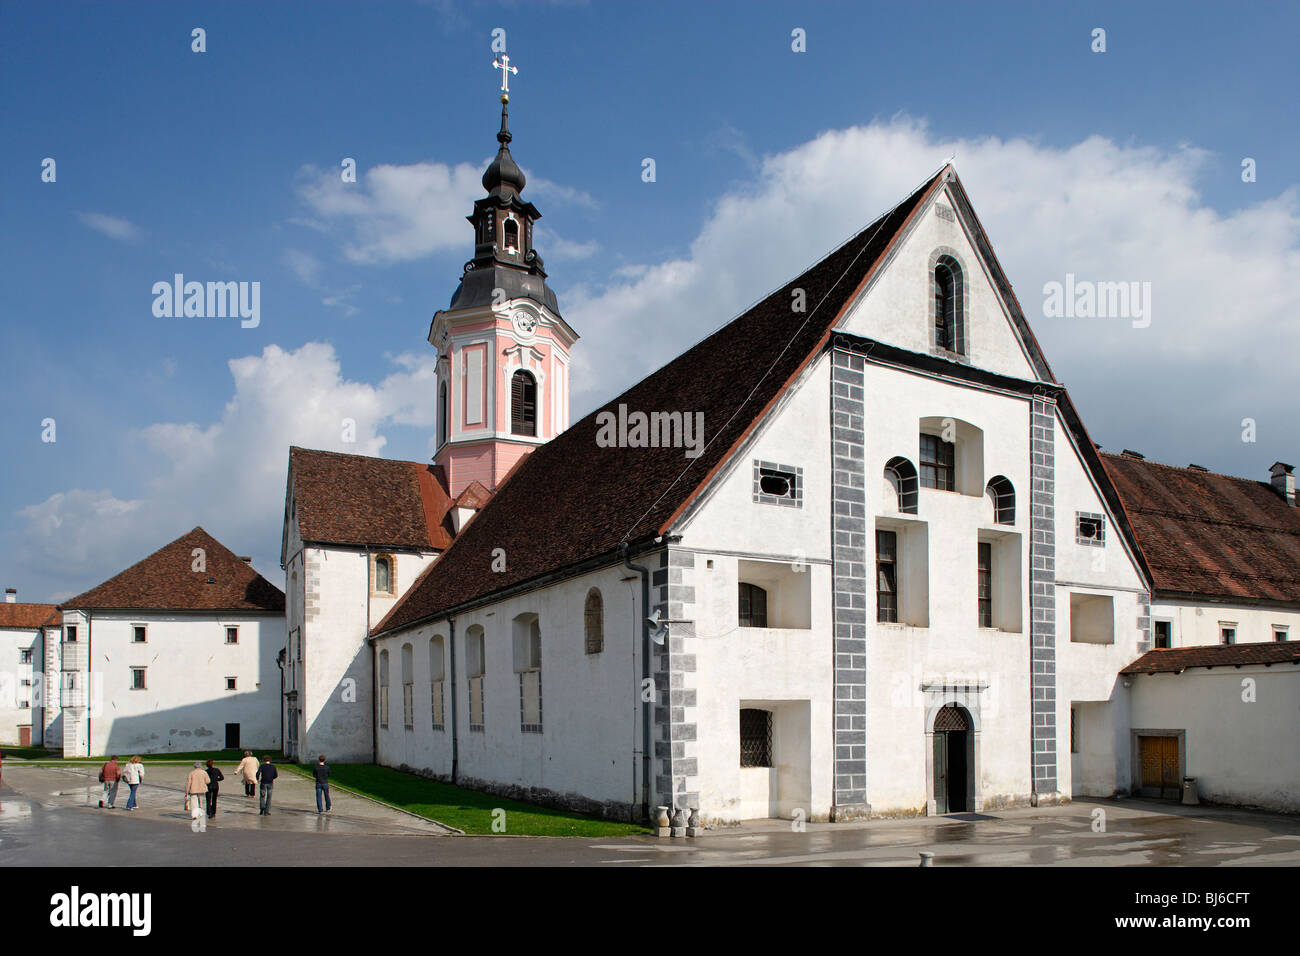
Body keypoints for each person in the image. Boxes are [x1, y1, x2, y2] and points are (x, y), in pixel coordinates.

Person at [185, 762, 209, 831]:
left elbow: (188, 783)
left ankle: (195, 815)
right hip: (202, 789)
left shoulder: (191, 773)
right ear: (201, 766)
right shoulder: (204, 772)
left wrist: (187, 791)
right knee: (201, 801)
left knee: (194, 802)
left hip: (193, 789)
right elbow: (208, 781)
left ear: (194, 767)